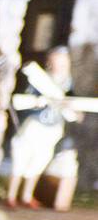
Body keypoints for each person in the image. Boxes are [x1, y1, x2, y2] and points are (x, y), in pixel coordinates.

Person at [6, 46, 82, 209]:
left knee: (39, 161)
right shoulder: (40, 80)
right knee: (22, 158)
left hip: (52, 128)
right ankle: (11, 195)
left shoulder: (67, 84)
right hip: (36, 125)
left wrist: (73, 109)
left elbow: (72, 103)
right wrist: (38, 102)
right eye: (57, 61)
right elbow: (26, 100)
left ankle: (27, 195)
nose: (61, 65)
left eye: (64, 62)